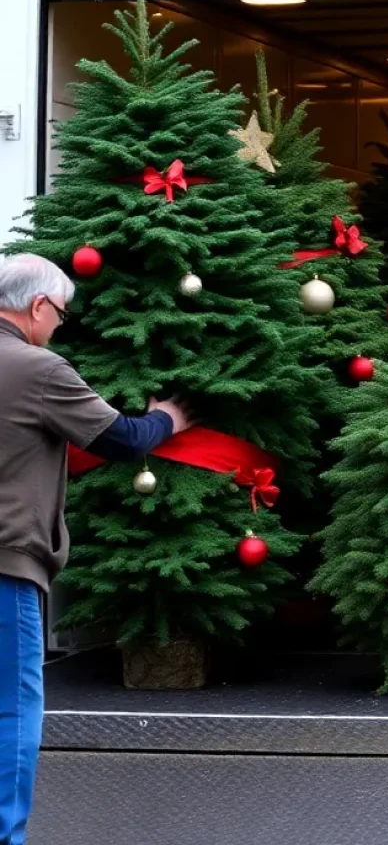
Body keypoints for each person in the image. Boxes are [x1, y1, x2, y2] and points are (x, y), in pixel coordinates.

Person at [0, 253, 191, 845]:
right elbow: (122, 440)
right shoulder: (35, 367)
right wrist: (169, 418)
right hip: (5, 568)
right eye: (60, 313)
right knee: (12, 710)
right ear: (37, 307)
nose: (60, 326)